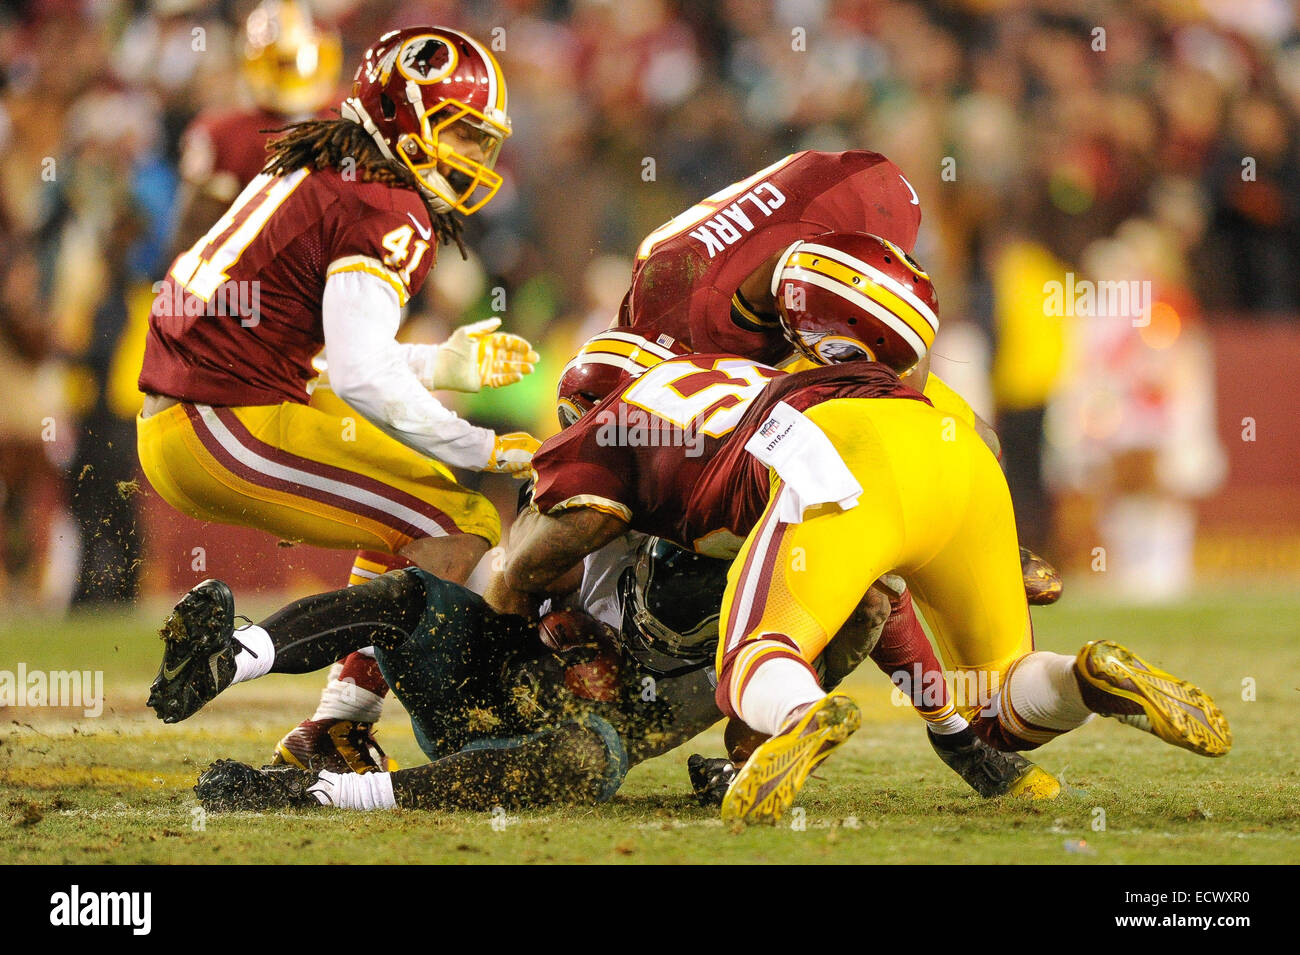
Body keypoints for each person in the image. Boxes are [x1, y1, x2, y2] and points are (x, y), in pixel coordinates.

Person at [500, 232, 1231, 825]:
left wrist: (514, 579)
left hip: (835, 456)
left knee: (754, 652)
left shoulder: (617, 423)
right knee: (997, 697)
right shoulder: (826, 370)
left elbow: (539, 554)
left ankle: (800, 716)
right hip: (958, 458)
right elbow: (979, 439)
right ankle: (1084, 678)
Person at [137, 26, 540, 772]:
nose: (475, 158)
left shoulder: (326, 163)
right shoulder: (385, 204)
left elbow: (321, 349)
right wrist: (481, 446)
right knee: (462, 516)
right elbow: (357, 376)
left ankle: (335, 725)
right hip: (223, 423)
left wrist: (440, 363)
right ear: (401, 115)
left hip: (204, 413)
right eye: (460, 133)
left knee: (411, 514)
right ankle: (272, 679)